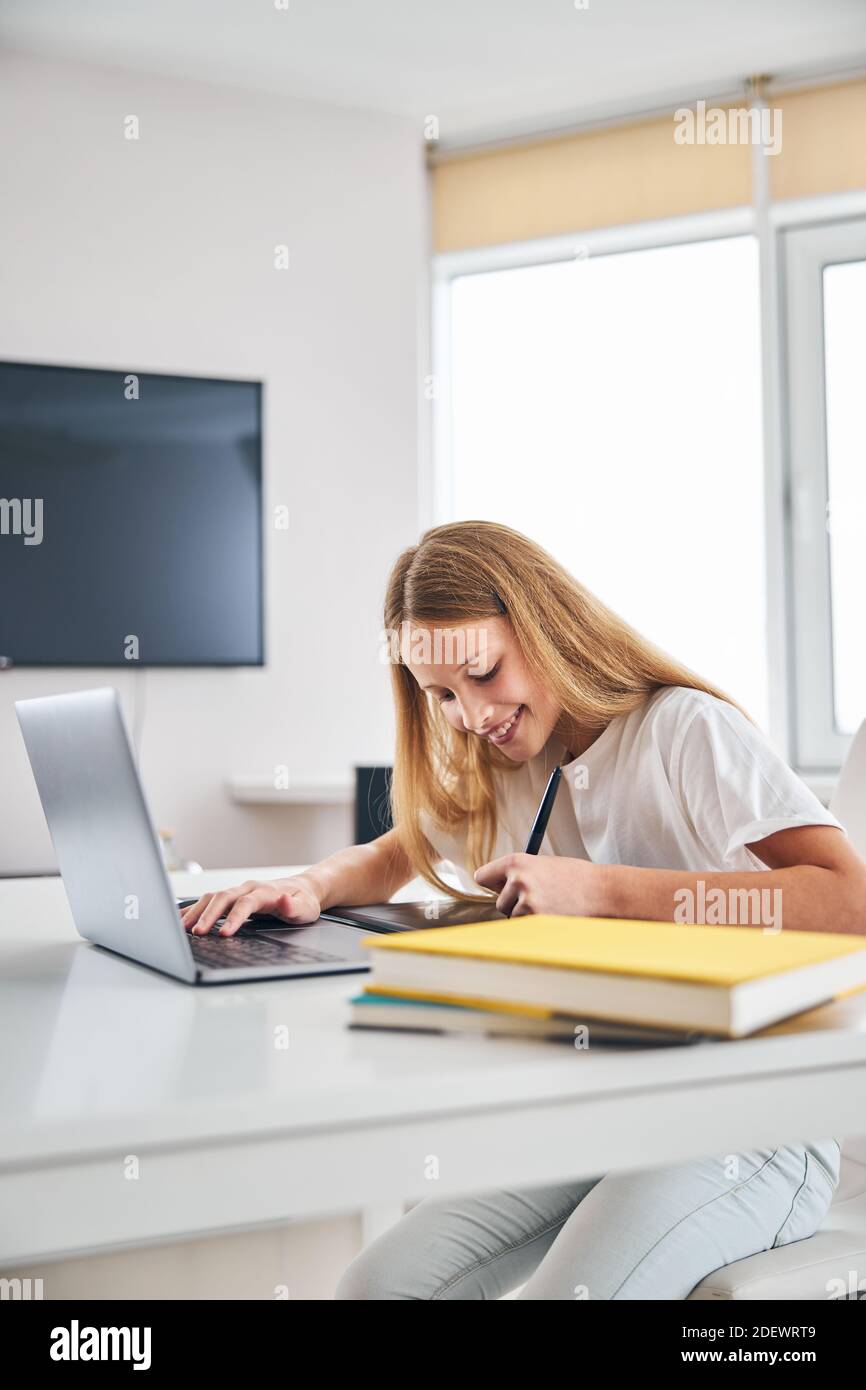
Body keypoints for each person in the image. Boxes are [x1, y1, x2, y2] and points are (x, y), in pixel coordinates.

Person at [180, 521, 866, 1299]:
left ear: (542, 625)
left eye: (482, 673)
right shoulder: (511, 757)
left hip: (754, 1119)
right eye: (441, 695)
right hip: (611, 1105)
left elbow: (849, 898)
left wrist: (603, 892)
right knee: (375, 1286)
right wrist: (307, 888)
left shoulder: (684, 731)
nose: (472, 716)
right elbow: (392, 854)